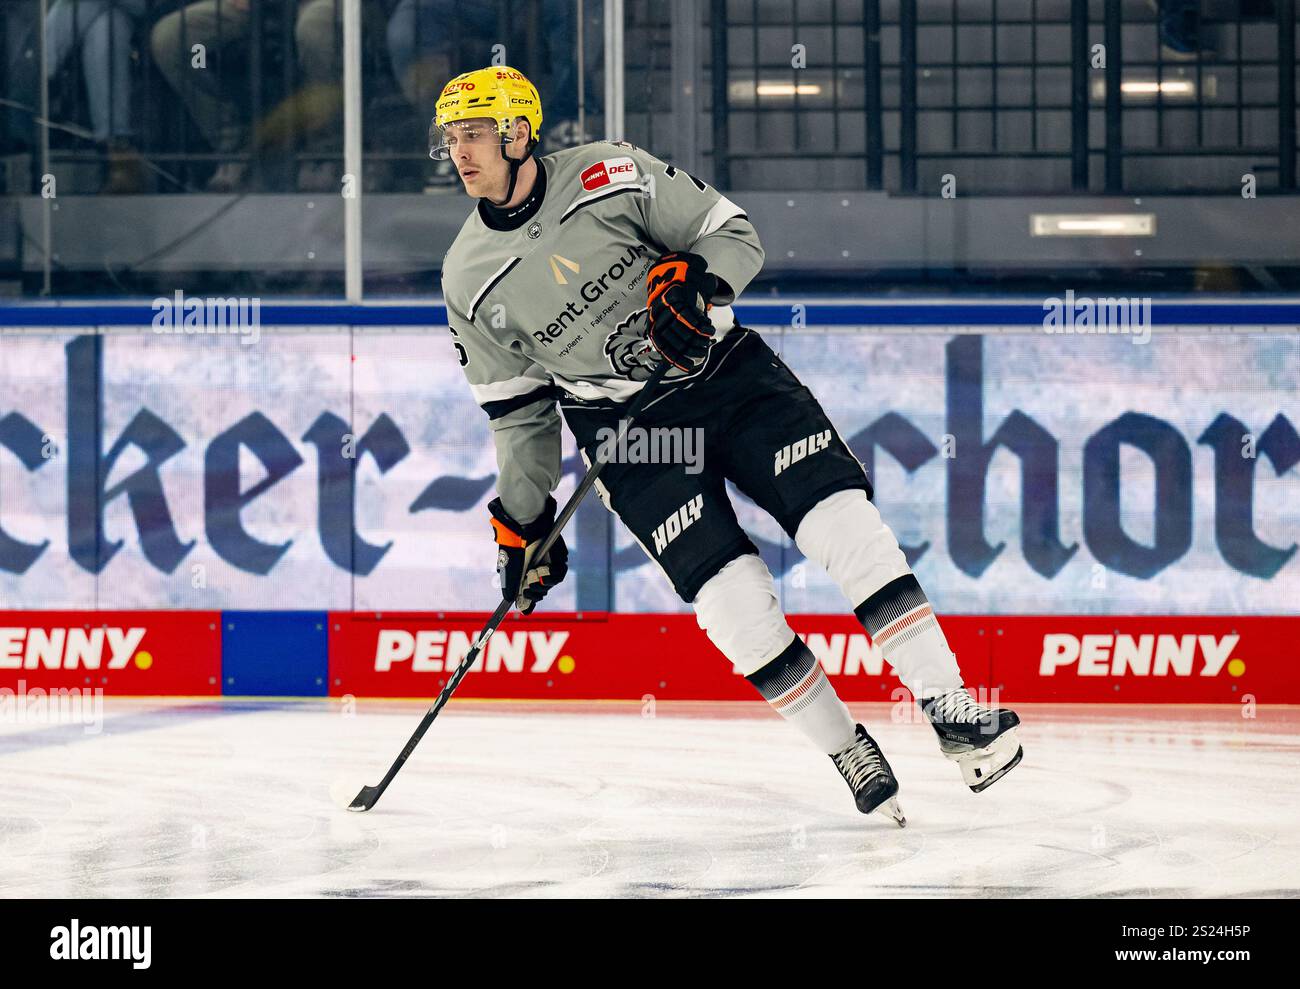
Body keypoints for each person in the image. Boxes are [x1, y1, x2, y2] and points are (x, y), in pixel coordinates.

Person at [436, 66, 1023, 824]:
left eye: (474, 133)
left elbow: (732, 233)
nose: (460, 152)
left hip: (728, 380)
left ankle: (952, 708)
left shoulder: (610, 171)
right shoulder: (467, 277)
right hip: (628, 435)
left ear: (519, 132)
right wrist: (523, 523)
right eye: (451, 138)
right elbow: (520, 415)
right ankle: (848, 748)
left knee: (845, 526)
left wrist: (696, 283)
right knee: (734, 608)